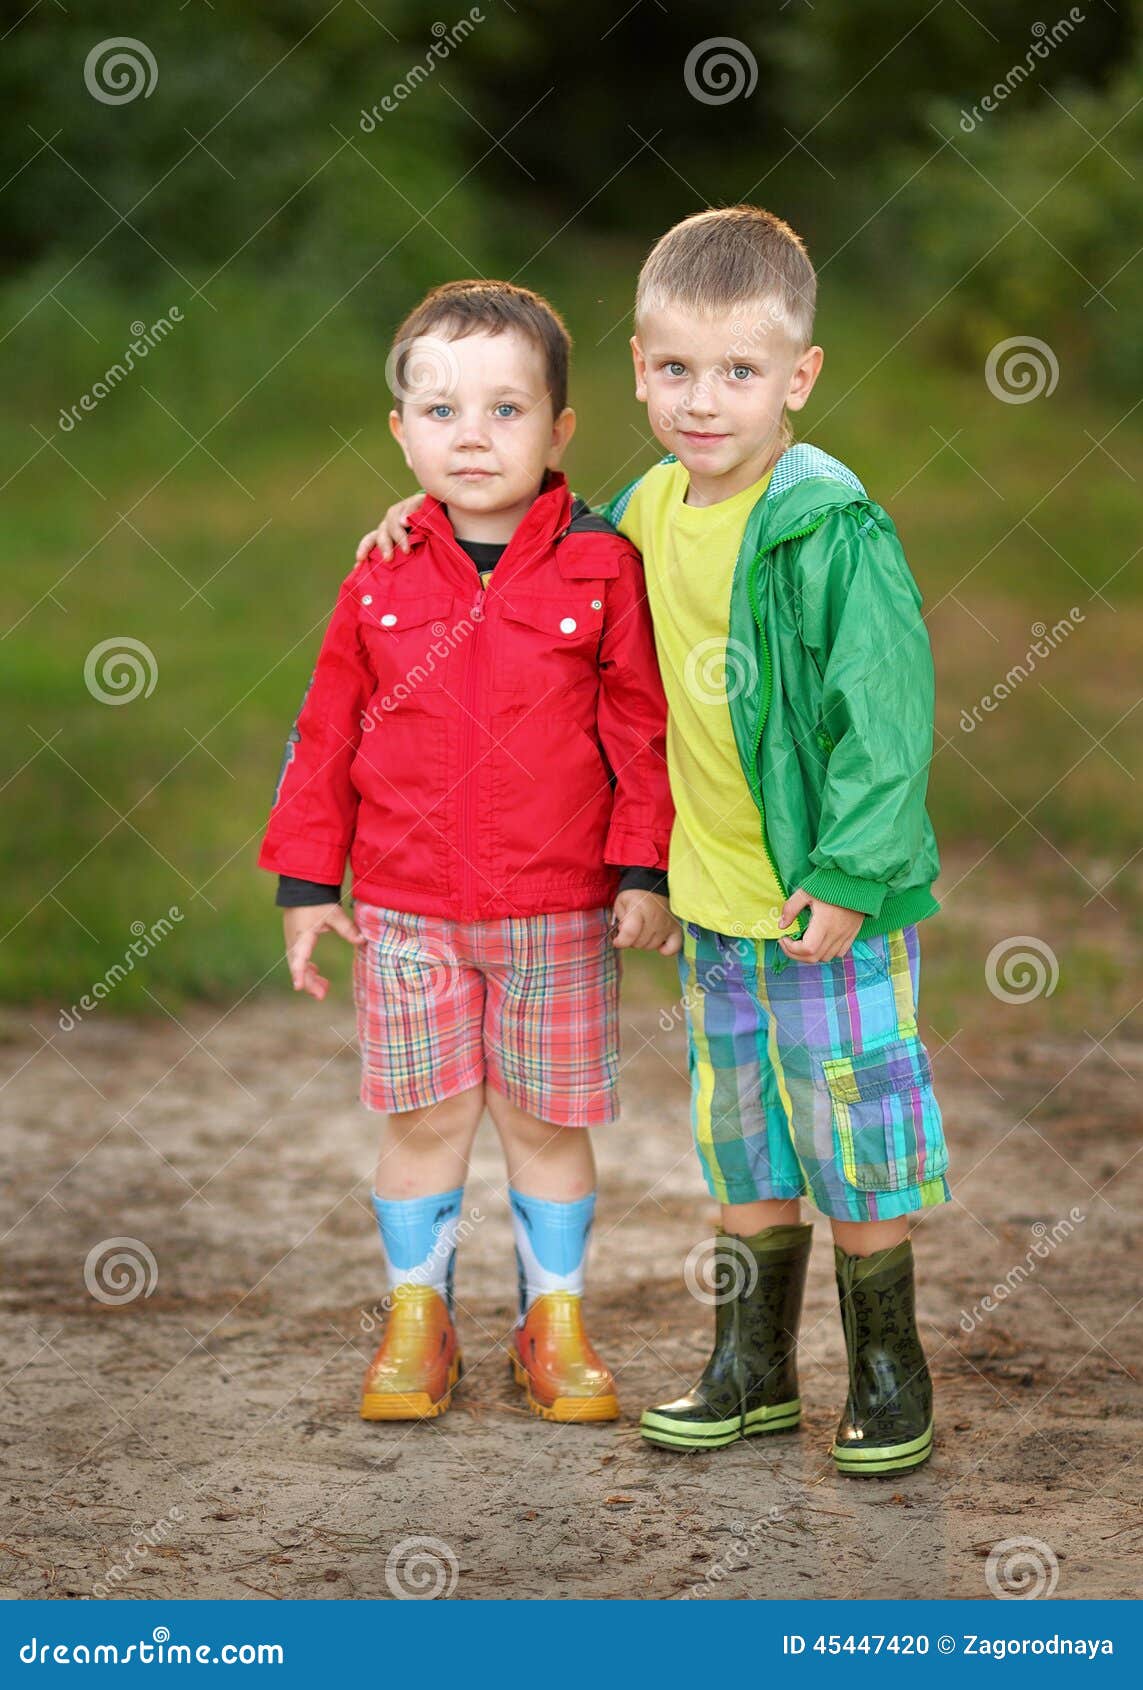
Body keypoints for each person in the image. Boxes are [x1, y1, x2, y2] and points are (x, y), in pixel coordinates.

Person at [359, 208, 950, 1477]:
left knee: (855, 1139)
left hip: (825, 903)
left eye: (740, 373)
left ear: (800, 377)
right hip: (716, 907)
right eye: (676, 369)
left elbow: (887, 726)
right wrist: (409, 527)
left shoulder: (826, 528)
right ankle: (753, 1367)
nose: (703, 400)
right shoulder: (638, 519)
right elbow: (518, 568)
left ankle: (891, 1371)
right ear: (636, 367)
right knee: (741, 1140)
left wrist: (850, 872)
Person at [259, 279, 676, 1425]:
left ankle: (555, 1323)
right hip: (406, 905)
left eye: (507, 409)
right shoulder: (383, 572)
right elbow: (326, 725)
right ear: (401, 432)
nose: (474, 435)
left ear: (559, 429)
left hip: (558, 904)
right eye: (441, 412)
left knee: (545, 1121)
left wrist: (643, 866)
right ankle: (417, 1316)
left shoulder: (601, 566)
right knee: (428, 1117)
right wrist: (307, 881)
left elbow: (640, 723)